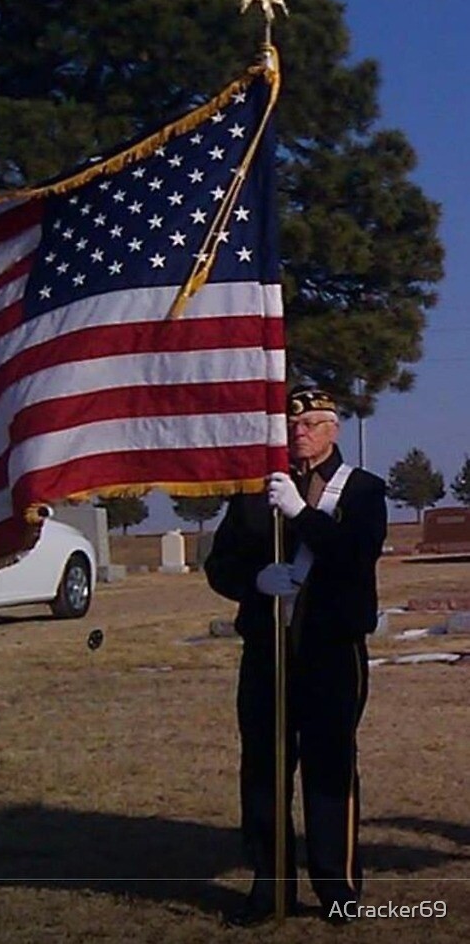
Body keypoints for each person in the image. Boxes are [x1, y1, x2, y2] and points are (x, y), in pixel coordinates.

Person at [205, 386, 387, 925]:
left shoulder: (363, 491)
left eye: (311, 424)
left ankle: (337, 887)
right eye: (292, 426)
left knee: (331, 767)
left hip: (332, 651)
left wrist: (302, 514)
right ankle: (270, 886)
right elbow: (220, 565)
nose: (299, 433)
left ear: (333, 428)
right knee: (263, 769)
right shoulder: (254, 494)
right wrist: (254, 582)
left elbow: (354, 555)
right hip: (267, 651)